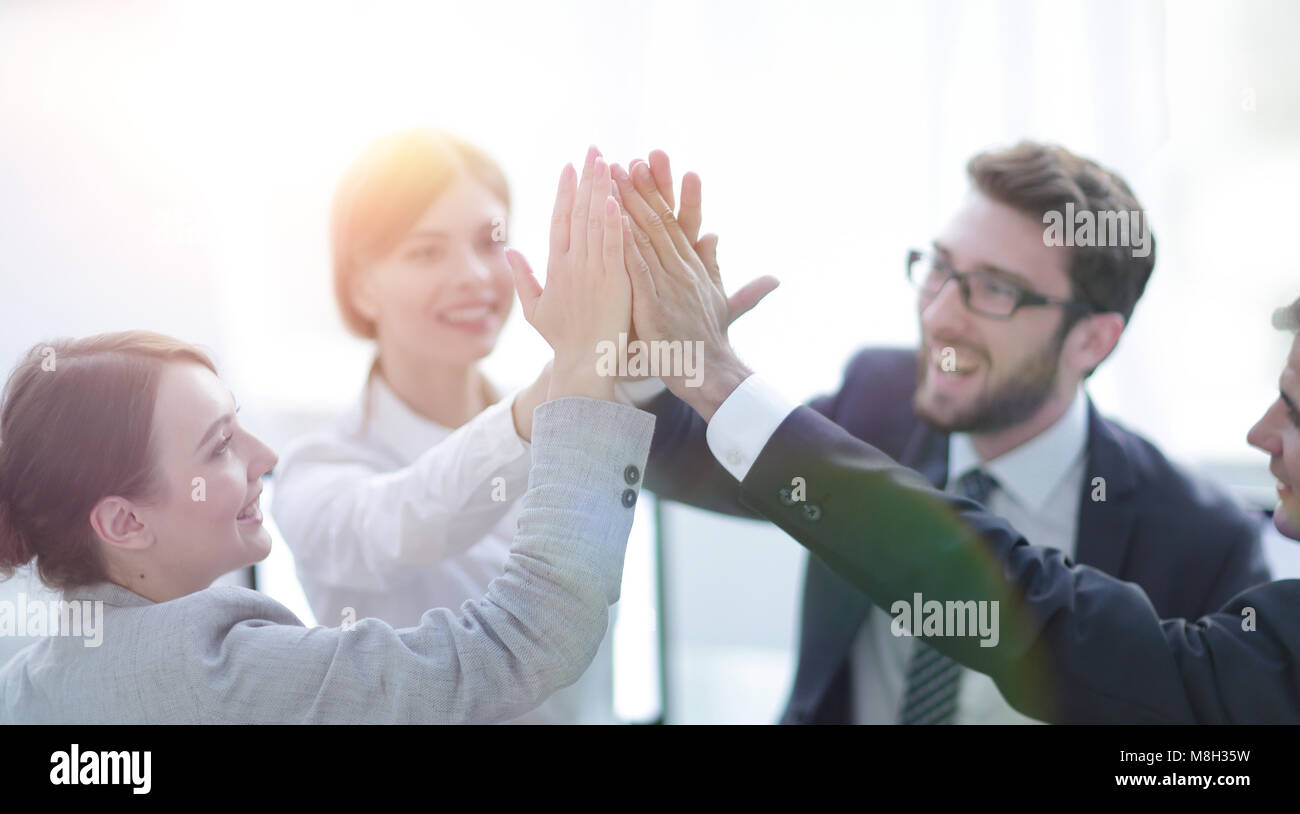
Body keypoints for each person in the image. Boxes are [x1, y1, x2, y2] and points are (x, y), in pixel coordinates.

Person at [614, 155, 1300, 723]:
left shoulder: (1202, 538)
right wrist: (649, 354)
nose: (940, 316)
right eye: (938, 268)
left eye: (994, 291)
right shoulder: (875, 400)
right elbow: (681, 452)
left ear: (1093, 338)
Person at [0, 151, 653, 723]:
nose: (266, 456)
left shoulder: (29, 681)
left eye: (489, 241)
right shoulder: (224, 656)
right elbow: (506, 639)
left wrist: (674, 361)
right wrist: (574, 375)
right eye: (219, 443)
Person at [271, 132, 608, 723]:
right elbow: (409, 521)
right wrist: (560, 388)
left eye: (489, 242)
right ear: (360, 287)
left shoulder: (564, 419)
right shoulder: (315, 473)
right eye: (427, 252)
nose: (475, 276)